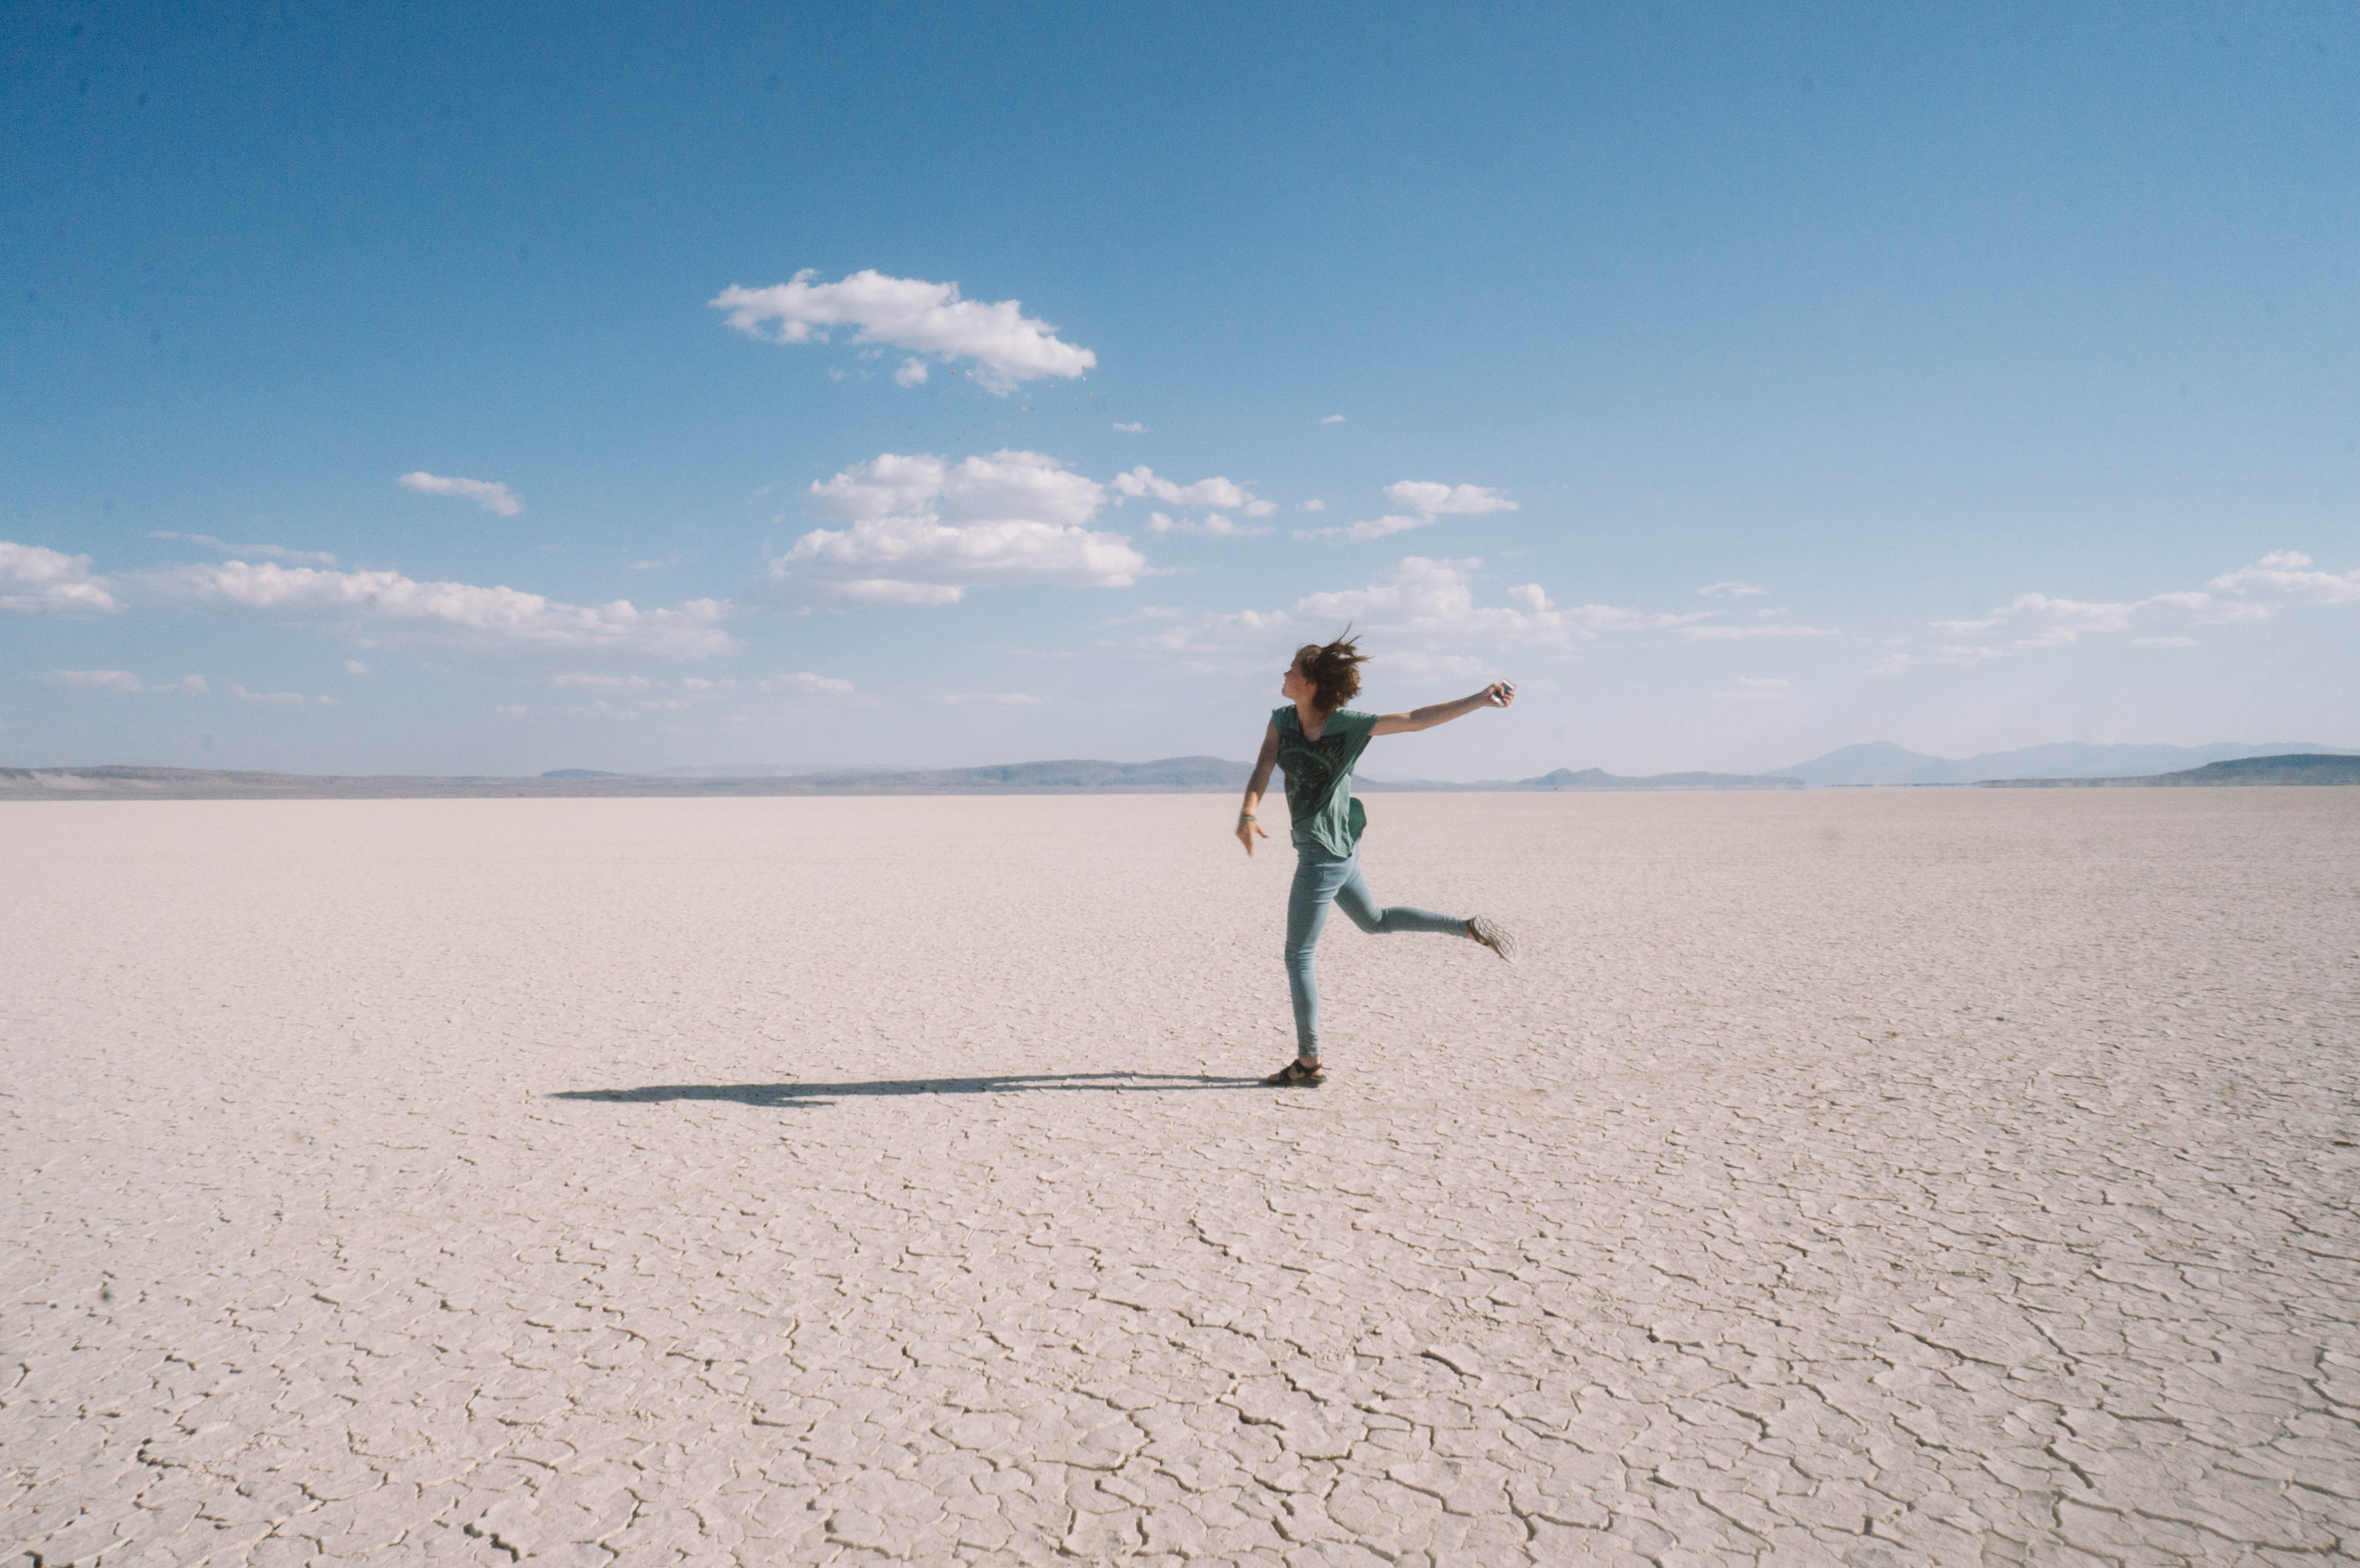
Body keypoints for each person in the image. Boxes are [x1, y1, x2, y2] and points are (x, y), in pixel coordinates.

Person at [1235, 632, 1517, 1086]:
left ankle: (1308, 1063)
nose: (1284, 675)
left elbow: (1413, 720)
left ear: (1309, 683)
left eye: (1292, 670)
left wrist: (1480, 699)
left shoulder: (1346, 725)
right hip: (1339, 851)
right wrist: (1248, 811)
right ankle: (1467, 928)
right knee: (1376, 921)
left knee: (1298, 956)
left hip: (1322, 855)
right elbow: (1264, 765)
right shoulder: (1282, 720)